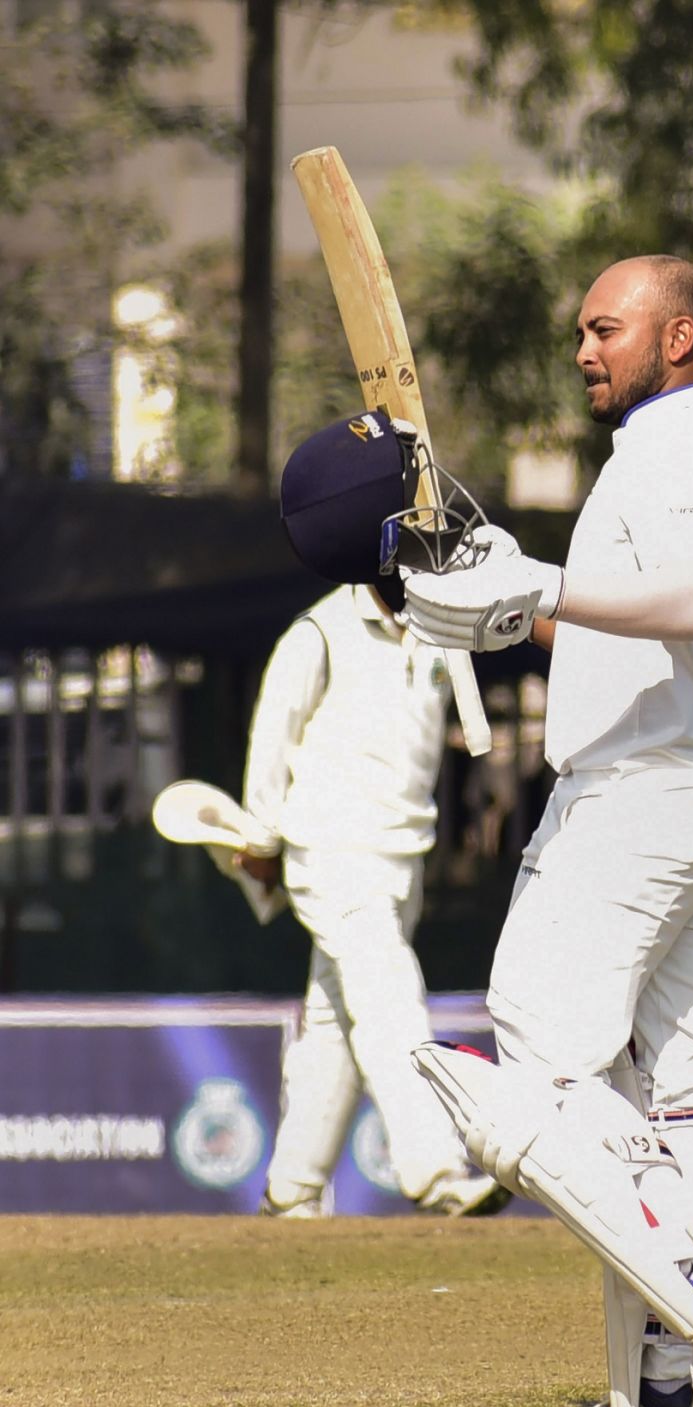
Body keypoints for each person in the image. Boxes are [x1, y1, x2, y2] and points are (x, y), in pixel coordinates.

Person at [399, 255, 693, 1407]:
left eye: (606, 329)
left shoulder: (688, 432)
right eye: (581, 330)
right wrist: (524, 596)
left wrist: (538, 589)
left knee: (534, 1053)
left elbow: (683, 598)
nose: (585, 349)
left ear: (678, 336)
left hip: (650, 794)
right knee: (674, 1087)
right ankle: (668, 1392)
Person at [238, 413, 509, 1221]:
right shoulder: (319, 633)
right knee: (391, 999)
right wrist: (258, 840)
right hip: (331, 850)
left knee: (334, 1022)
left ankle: (290, 1192)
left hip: (400, 858)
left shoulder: (436, 623)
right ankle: (435, 1172)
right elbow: (270, 739)